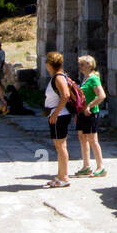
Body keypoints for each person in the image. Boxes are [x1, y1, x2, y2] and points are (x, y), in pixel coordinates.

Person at [74, 55, 107, 178]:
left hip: (91, 113)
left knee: (93, 140)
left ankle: (100, 167)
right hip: (82, 113)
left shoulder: (93, 79)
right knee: (82, 138)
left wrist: (89, 106)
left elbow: (101, 95)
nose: (80, 67)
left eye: (83, 64)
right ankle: (86, 166)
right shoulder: (85, 79)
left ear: (89, 65)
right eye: (80, 64)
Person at [44, 51, 72, 188]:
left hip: (59, 116)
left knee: (61, 146)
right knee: (59, 146)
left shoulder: (58, 78)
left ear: (50, 64)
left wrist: (55, 113)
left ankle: (64, 176)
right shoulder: (56, 77)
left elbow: (65, 95)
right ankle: (60, 175)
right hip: (58, 115)